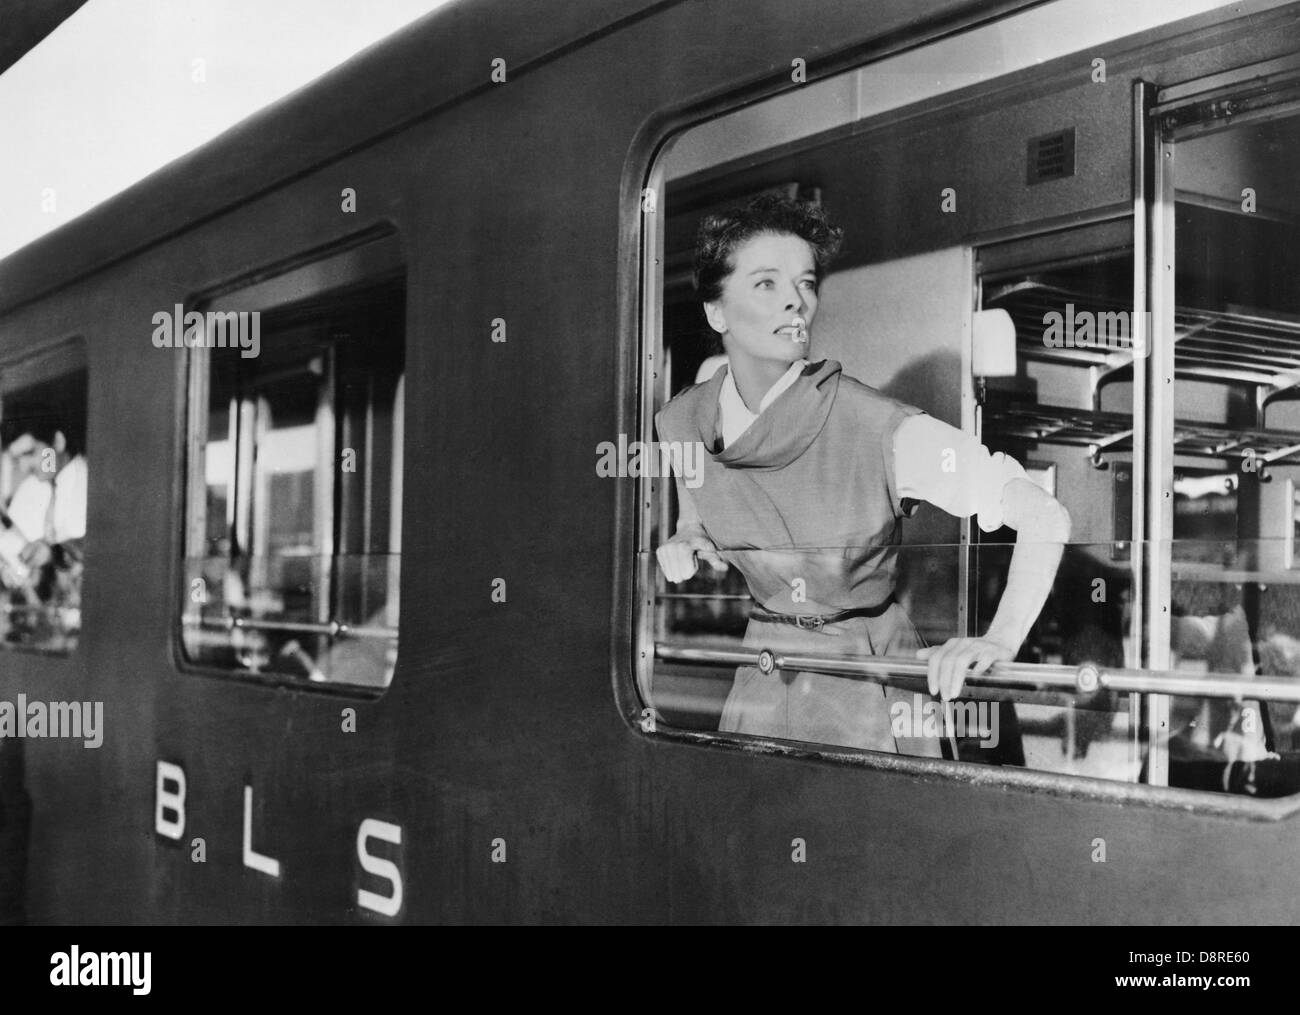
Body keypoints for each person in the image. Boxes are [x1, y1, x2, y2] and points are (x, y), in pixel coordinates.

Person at [654, 194, 1071, 755]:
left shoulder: (879, 427)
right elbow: (697, 519)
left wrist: (999, 642)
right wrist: (688, 540)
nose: (795, 304)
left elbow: (1044, 514)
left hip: (870, 674)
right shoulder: (681, 421)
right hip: (762, 668)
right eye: (766, 284)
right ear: (716, 312)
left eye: (805, 283)